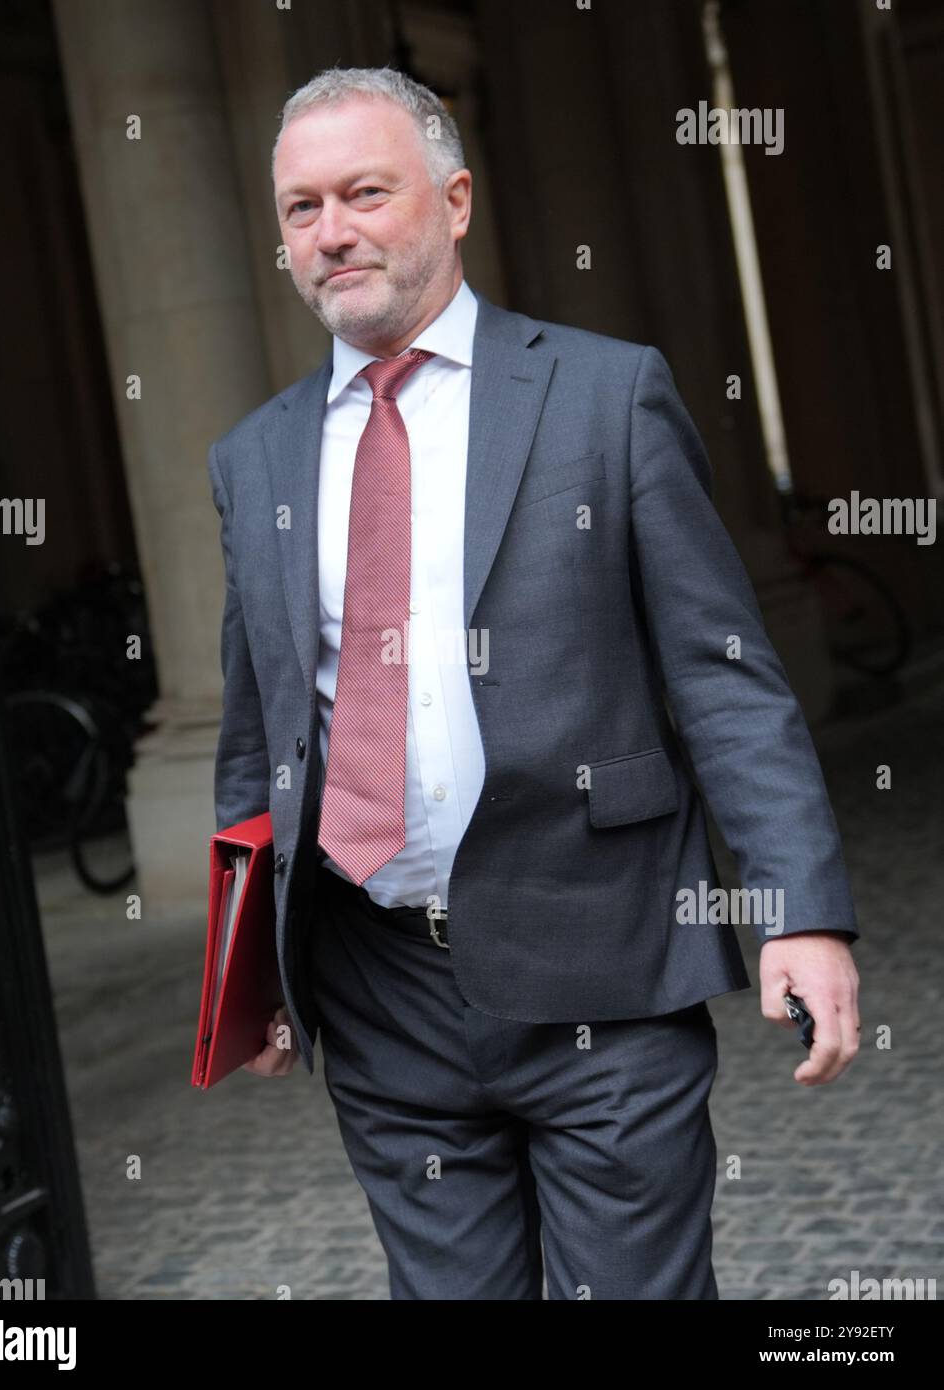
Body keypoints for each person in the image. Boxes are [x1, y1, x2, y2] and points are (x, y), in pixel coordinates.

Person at [206, 65, 861, 1300]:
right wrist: (252, 983)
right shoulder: (256, 458)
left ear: (453, 202)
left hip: (599, 959)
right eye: (301, 208)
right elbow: (258, 741)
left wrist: (802, 912)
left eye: (364, 192)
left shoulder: (603, 396)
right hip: (379, 989)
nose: (331, 231)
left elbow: (722, 679)